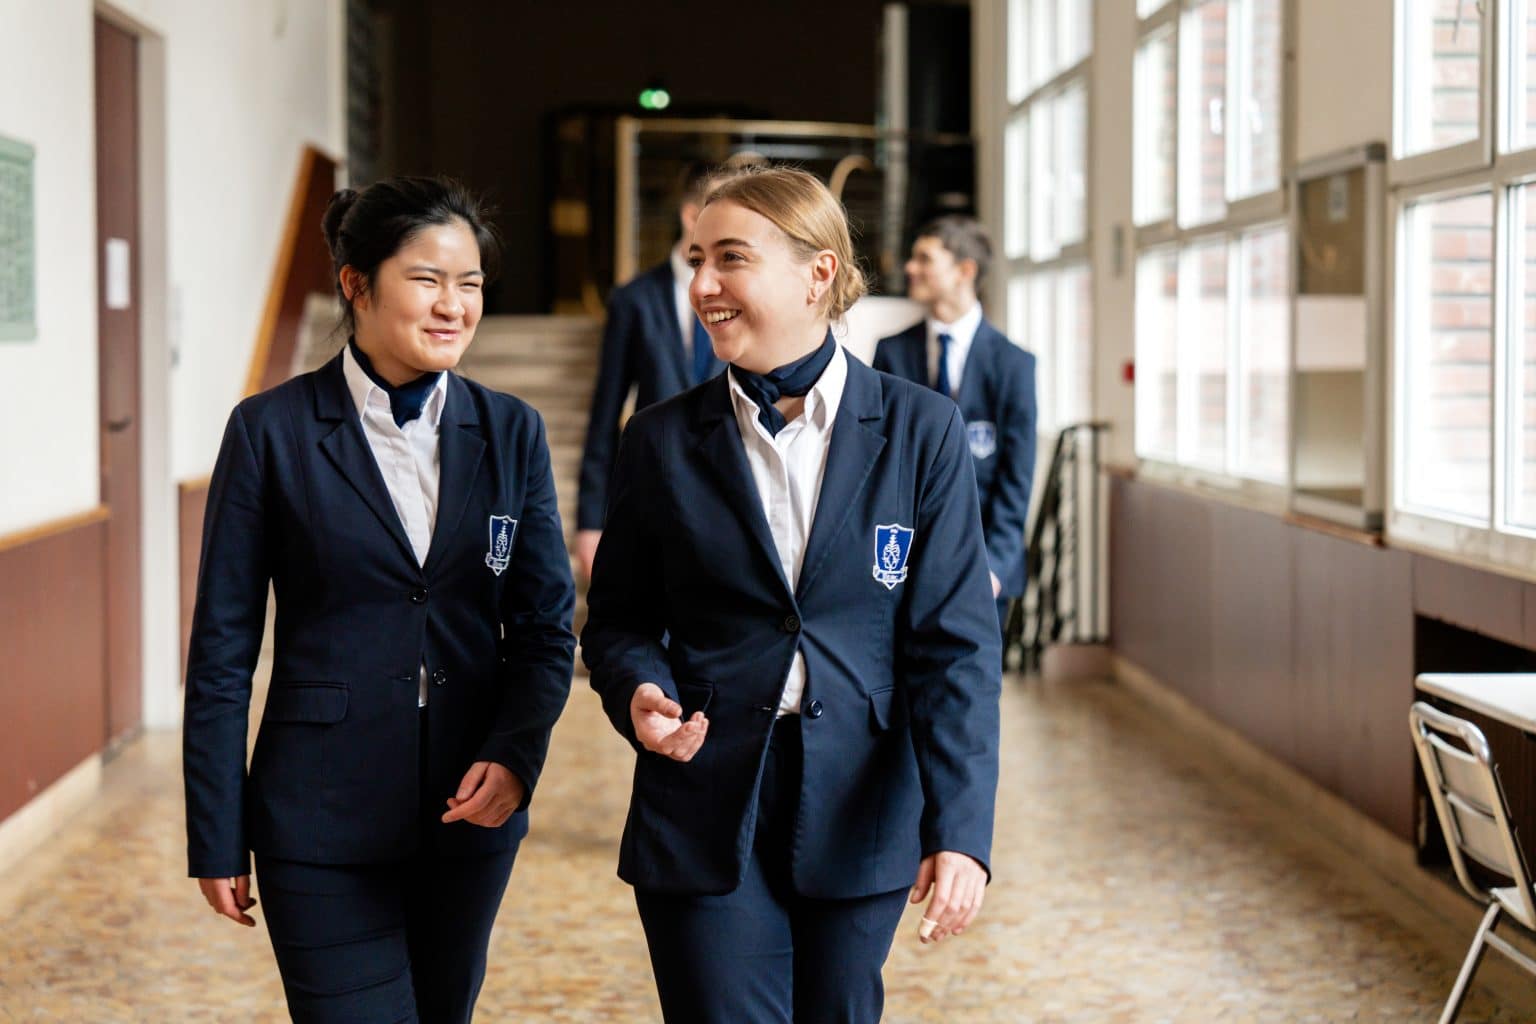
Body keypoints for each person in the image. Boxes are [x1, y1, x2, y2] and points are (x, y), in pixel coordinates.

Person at [582, 166, 1002, 1023]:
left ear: (819, 273)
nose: (702, 285)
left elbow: (955, 648)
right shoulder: (658, 440)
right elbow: (619, 620)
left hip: (862, 807)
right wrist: (638, 694)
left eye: (730, 258)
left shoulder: (922, 431)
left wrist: (961, 832)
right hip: (701, 799)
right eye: (698, 258)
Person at [183, 176, 576, 1023]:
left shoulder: (511, 431)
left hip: (469, 817)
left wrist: (516, 757)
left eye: (469, 283)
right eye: (427, 279)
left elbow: (545, 631)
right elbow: (222, 651)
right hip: (319, 818)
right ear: (356, 284)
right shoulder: (272, 431)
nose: (454, 305)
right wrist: (216, 830)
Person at [873, 216, 1038, 633]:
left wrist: (994, 571)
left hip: (981, 569)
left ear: (966, 271)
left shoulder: (1013, 365)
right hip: (901, 568)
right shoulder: (891, 354)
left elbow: (1015, 484)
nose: (910, 267)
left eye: (925, 258)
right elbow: (879, 463)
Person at [574, 163, 726, 580]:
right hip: (654, 487)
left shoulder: (739, 296)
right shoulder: (634, 299)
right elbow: (605, 412)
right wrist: (590, 520)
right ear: (691, 216)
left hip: (727, 495)